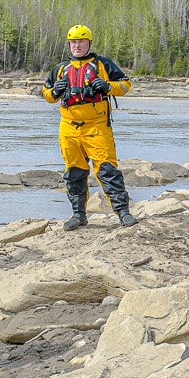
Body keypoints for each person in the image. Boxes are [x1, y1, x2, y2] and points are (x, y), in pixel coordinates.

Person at [41, 25, 135, 230]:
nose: (77, 46)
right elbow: (46, 93)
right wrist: (54, 92)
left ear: (88, 43)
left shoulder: (103, 64)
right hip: (69, 128)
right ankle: (78, 215)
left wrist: (108, 87)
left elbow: (125, 84)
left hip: (97, 126)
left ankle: (123, 213)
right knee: (74, 173)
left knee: (108, 170)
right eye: (73, 42)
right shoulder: (60, 68)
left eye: (81, 42)